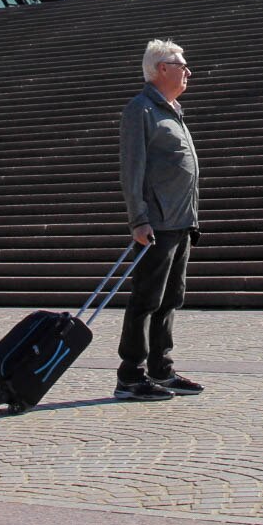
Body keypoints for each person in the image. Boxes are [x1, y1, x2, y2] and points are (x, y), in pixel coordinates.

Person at [115, 38, 202, 402]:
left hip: (181, 221)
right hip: (156, 223)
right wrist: (138, 219)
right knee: (146, 299)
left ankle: (160, 368)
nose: (188, 71)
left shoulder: (171, 109)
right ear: (161, 69)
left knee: (171, 298)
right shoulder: (142, 110)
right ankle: (130, 375)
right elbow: (131, 168)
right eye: (181, 64)